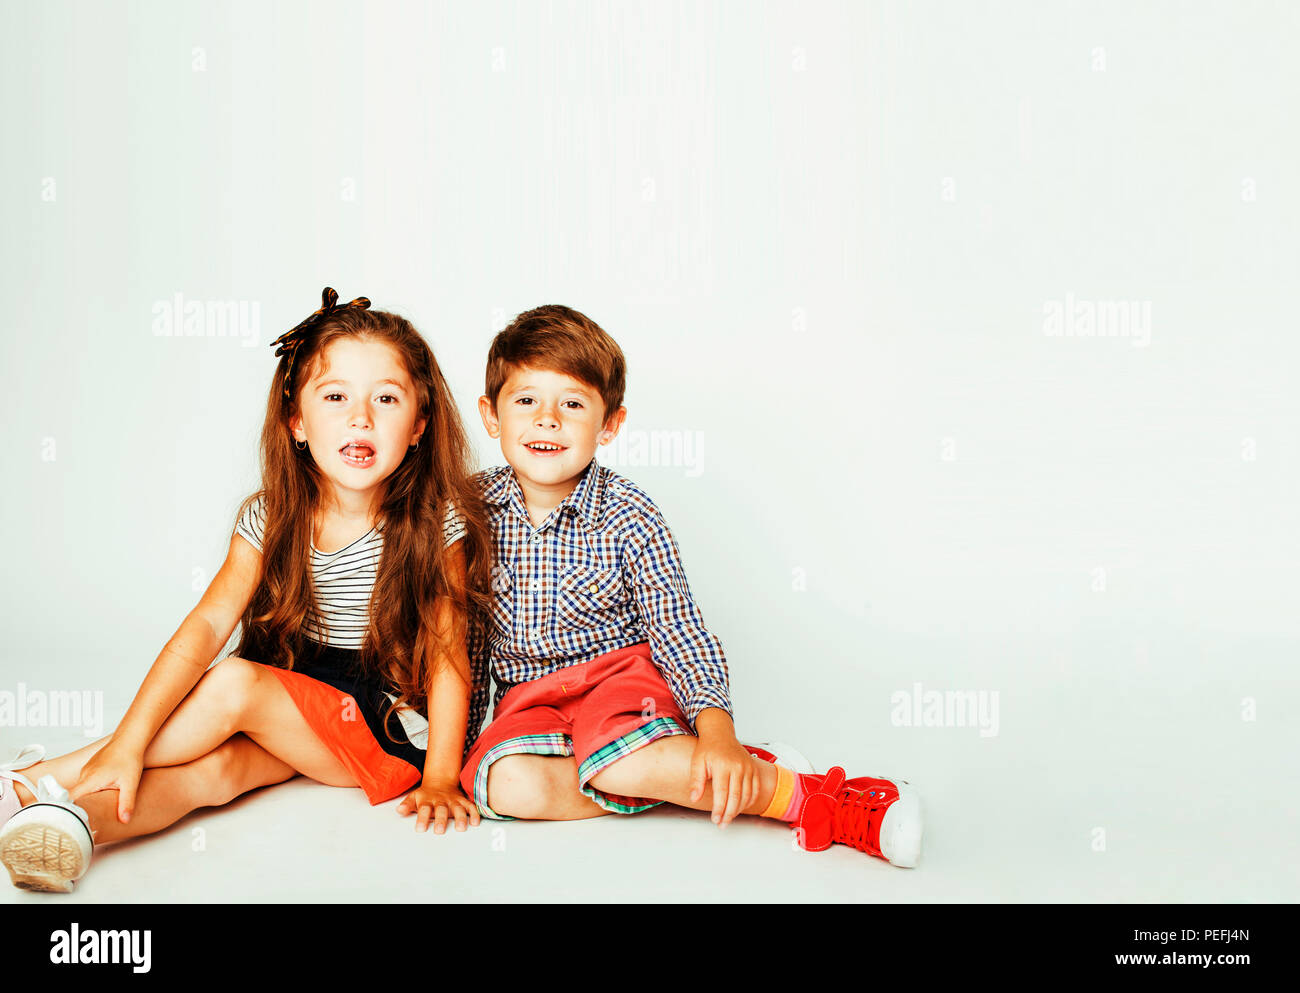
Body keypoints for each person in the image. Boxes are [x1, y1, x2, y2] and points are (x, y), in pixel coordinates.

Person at [0, 288, 492, 894]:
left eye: (385, 399)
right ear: (296, 422)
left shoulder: (436, 521)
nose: (360, 417)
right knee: (215, 773)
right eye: (335, 397)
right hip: (294, 707)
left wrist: (442, 775)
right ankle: (70, 825)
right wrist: (129, 745)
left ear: (418, 426)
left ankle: (34, 780)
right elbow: (204, 629)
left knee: (232, 683)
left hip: (378, 726)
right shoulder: (268, 517)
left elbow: (449, 655)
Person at [459, 305, 924, 866]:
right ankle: (705, 772)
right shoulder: (469, 512)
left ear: (610, 425)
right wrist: (448, 758)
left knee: (610, 755)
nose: (548, 420)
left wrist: (717, 731)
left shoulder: (629, 515)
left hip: (621, 686)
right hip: (530, 701)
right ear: (491, 414)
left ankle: (816, 798)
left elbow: (678, 630)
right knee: (500, 786)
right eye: (526, 400)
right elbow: (463, 638)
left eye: (573, 404)